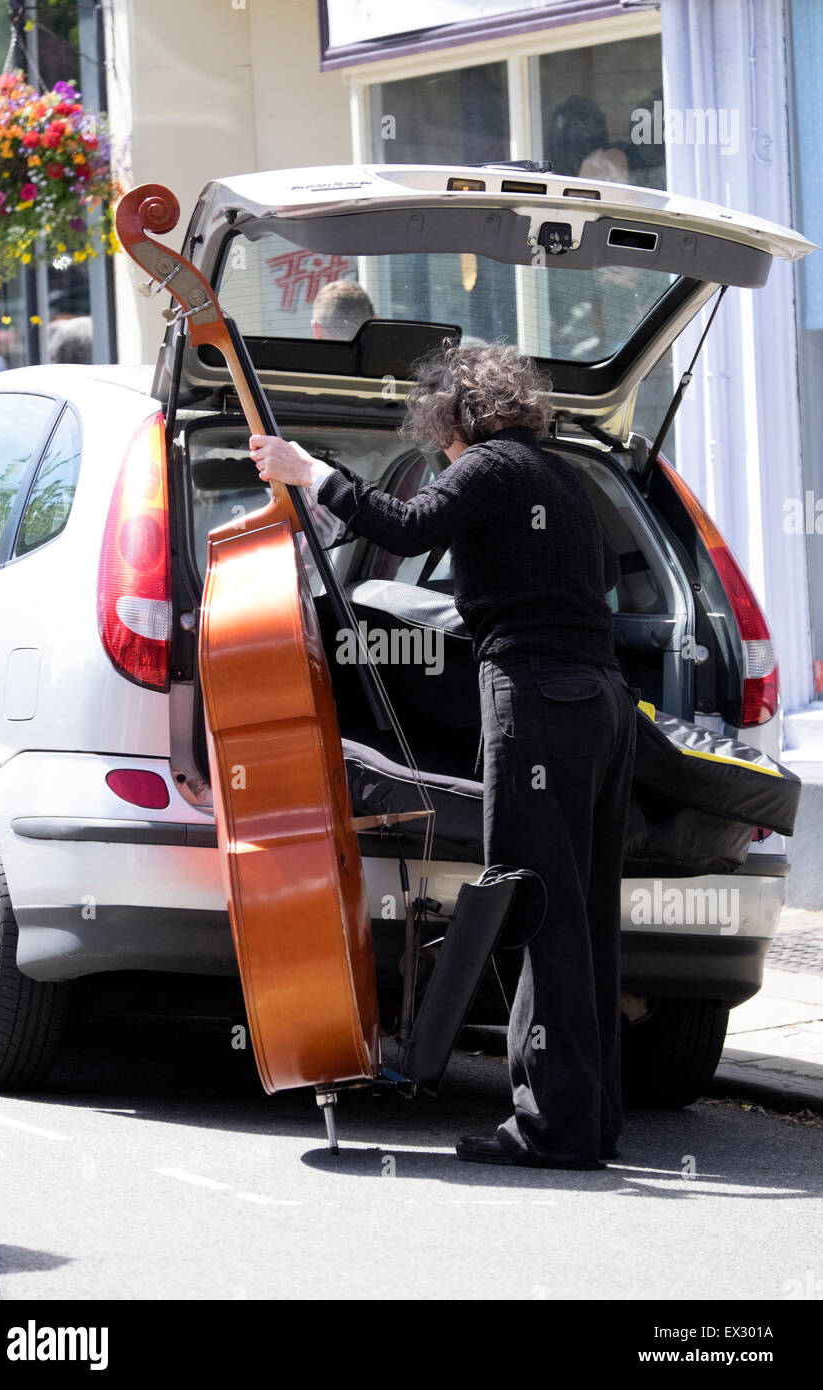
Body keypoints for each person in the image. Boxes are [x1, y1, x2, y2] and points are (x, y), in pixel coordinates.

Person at [249, 340, 637, 1171]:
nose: (441, 452)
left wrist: (307, 469)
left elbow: (406, 523)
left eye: (439, 436)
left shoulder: (490, 465)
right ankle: (589, 1120)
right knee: (586, 915)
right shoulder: (564, 473)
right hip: (603, 702)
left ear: (456, 416)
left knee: (538, 912)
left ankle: (549, 1130)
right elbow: (601, 573)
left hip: (537, 699)